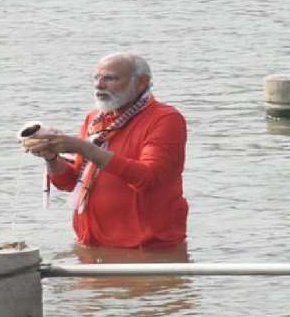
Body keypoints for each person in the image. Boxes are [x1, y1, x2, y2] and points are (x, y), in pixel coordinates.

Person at [22, 52, 189, 249]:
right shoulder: (95, 119)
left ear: (142, 82)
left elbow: (149, 178)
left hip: (147, 248)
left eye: (110, 78)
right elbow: (70, 182)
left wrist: (82, 147)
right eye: (96, 78)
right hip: (91, 245)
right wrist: (51, 156)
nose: (99, 85)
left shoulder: (165, 119)